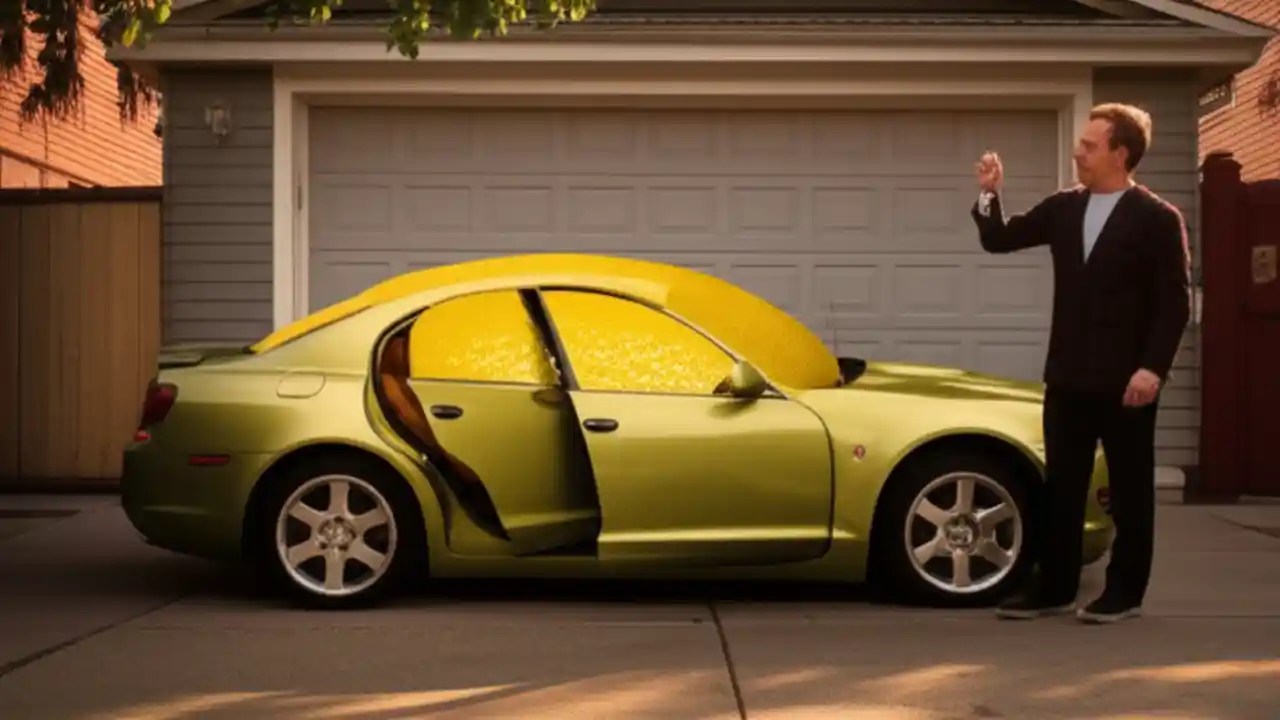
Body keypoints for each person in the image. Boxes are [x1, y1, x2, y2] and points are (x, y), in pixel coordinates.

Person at [971, 102, 1191, 624]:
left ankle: (1125, 593)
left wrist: (1152, 369)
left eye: (1089, 146)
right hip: (1067, 376)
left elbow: (1174, 303)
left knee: (1132, 492)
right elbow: (1000, 239)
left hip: (1127, 384)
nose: (1078, 153)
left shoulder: (1158, 219)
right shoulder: (1065, 208)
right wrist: (989, 193)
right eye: (1080, 144)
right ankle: (1055, 588)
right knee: (1062, 487)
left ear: (1121, 153)